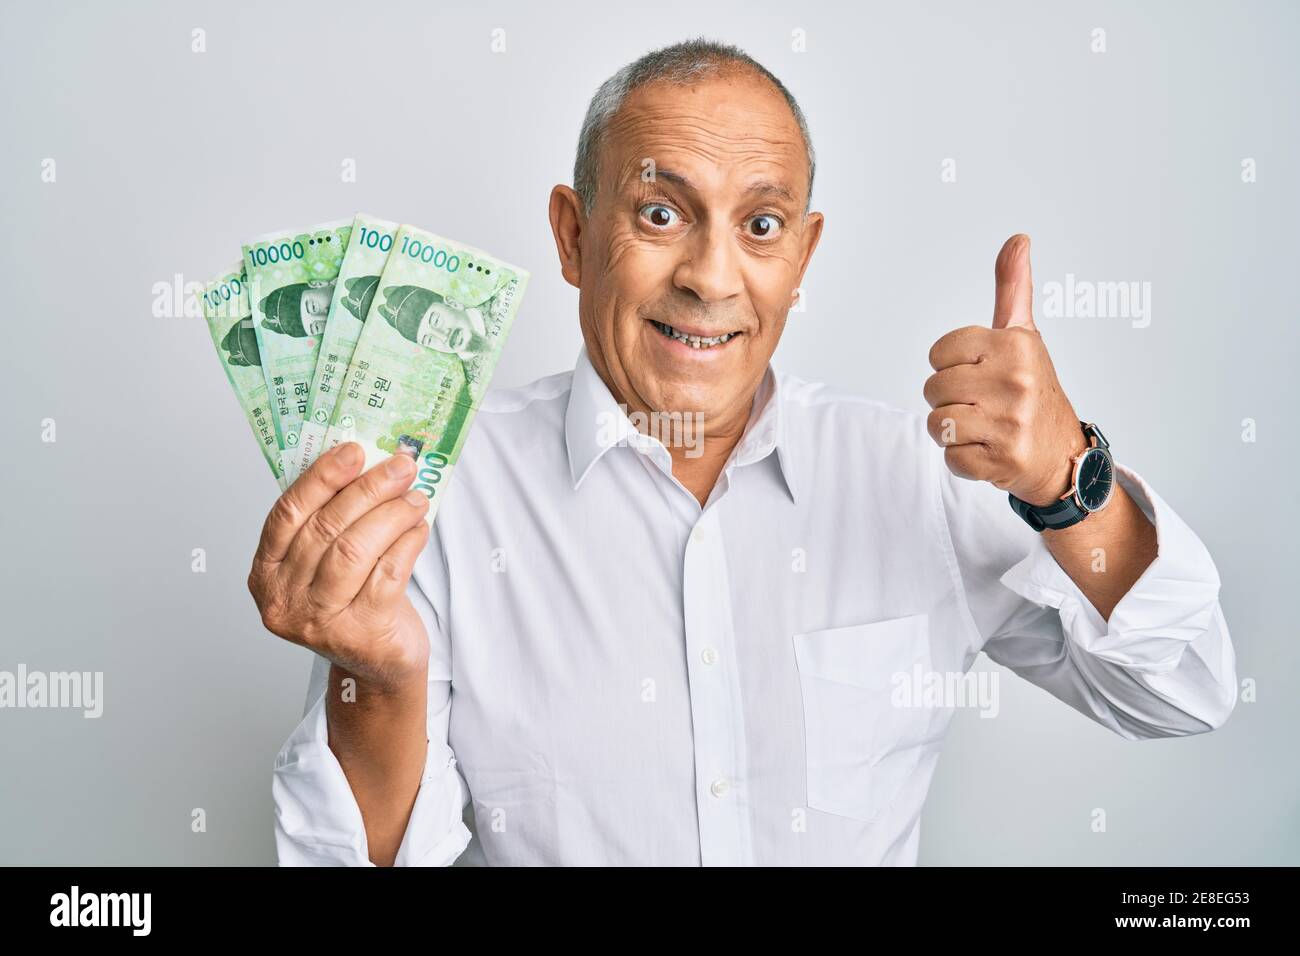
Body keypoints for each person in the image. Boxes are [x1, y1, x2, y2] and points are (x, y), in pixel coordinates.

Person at [253, 39, 1236, 866]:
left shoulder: (915, 475)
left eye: (760, 226)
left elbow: (1174, 691)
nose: (712, 276)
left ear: (800, 256)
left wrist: (1071, 483)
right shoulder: (441, 500)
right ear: (572, 232)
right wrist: (373, 681)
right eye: (659, 213)